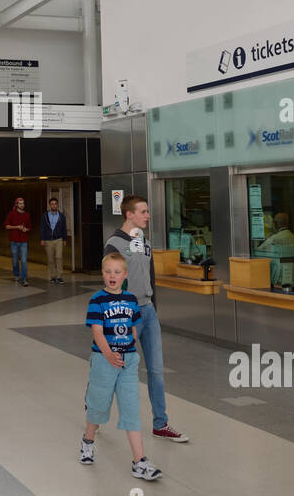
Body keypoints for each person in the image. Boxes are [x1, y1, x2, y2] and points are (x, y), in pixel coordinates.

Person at [105, 195, 189, 443]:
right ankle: (95, 405)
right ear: (129, 214)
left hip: (148, 312)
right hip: (126, 315)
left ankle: (160, 423)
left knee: (156, 370)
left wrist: (153, 308)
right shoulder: (114, 245)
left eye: (147, 211)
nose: (147, 215)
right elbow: (110, 283)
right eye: (143, 211)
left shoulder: (144, 242)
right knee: (115, 367)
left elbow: (150, 278)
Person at [80, 251, 162, 481]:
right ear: (103, 274)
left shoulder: (131, 300)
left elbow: (134, 326)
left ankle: (139, 462)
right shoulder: (97, 300)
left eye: (117, 272)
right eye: (108, 272)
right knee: (98, 406)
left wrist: (131, 347)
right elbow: (97, 332)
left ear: (125, 275)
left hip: (127, 361)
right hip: (104, 362)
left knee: (131, 409)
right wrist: (108, 354)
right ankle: (88, 441)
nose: (112, 276)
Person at [256, 211, 294, 286]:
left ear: (275, 224)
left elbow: (258, 252)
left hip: (279, 278)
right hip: (293, 276)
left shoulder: (274, 238)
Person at [40, 196, 68, 284]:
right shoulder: (44, 216)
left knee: (59, 257)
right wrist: (42, 239)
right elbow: (42, 228)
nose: (54, 205)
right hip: (48, 240)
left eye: (55, 204)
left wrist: (64, 239)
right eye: (52, 204)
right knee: (50, 259)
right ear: (49, 205)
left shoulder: (61, 216)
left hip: (58, 239)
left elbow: (64, 228)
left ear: (57, 205)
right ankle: (52, 276)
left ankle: (59, 276)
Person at [4, 196, 32, 286]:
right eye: (20, 203)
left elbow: (30, 227)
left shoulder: (27, 215)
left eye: (23, 203)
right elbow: (6, 226)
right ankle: (16, 275)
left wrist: (26, 229)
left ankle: (24, 279)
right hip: (14, 241)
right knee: (15, 260)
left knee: (24, 260)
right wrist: (17, 227)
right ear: (16, 205)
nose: (22, 205)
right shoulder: (11, 214)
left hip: (24, 241)